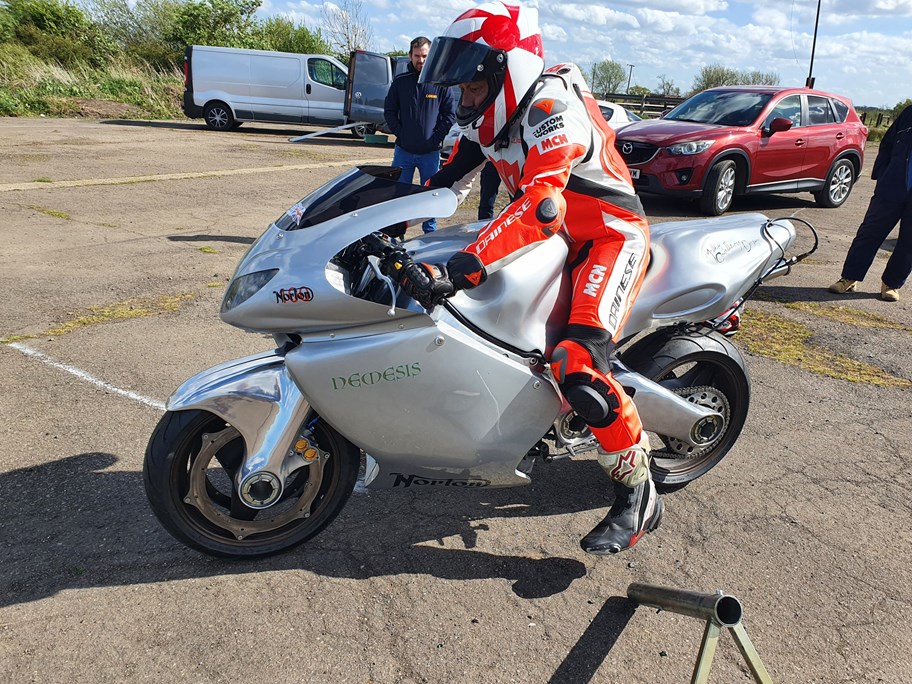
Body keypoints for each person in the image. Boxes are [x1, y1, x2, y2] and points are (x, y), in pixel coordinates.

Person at [395, 0, 661, 555]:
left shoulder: (550, 107)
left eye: (472, 88)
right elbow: (451, 171)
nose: (465, 101)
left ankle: (638, 493)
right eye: (461, 90)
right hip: (558, 240)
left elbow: (542, 204)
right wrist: (384, 213)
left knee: (576, 364)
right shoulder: (497, 111)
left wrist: (461, 266)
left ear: (506, 70)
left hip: (607, 237)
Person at [829, 104, 912, 302]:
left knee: (909, 242)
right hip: (892, 187)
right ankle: (850, 277)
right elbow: (887, 144)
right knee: (870, 233)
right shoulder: (909, 113)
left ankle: (891, 284)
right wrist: (883, 175)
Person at [384, 36, 458, 233]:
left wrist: (435, 138)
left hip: (430, 154)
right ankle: (395, 233)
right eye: (417, 56)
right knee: (399, 195)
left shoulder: (440, 83)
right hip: (404, 152)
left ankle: (430, 234)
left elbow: (450, 114)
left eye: (425, 56)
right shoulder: (400, 82)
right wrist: (401, 134)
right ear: (410, 56)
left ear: (431, 55)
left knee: (430, 196)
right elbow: (389, 111)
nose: (421, 60)